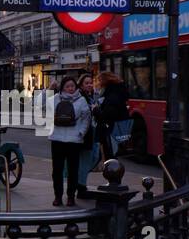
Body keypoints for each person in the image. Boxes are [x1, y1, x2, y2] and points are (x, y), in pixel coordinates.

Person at [48, 75, 91, 206]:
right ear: (63, 88)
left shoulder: (81, 100)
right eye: (67, 86)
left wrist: (81, 133)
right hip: (57, 139)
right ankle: (58, 196)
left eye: (72, 86)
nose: (70, 88)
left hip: (74, 140)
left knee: (73, 170)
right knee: (57, 170)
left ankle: (71, 196)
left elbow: (86, 118)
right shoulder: (55, 98)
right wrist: (49, 89)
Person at [74, 73, 101, 200]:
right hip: (84, 134)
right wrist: (93, 109)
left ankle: (79, 183)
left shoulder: (89, 96)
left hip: (91, 132)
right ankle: (81, 187)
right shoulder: (80, 97)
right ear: (80, 84)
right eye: (87, 83)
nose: (90, 85)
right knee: (85, 160)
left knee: (92, 157)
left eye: (91, 82)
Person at [93, 70, 132, 159]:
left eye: (98, 81)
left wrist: (95, 110)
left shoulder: (111, 96)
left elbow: (108, 115)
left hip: (111, 132)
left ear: (104, 82)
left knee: (110, 157)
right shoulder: (118, 92)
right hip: (117, 130)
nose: (97, 85)